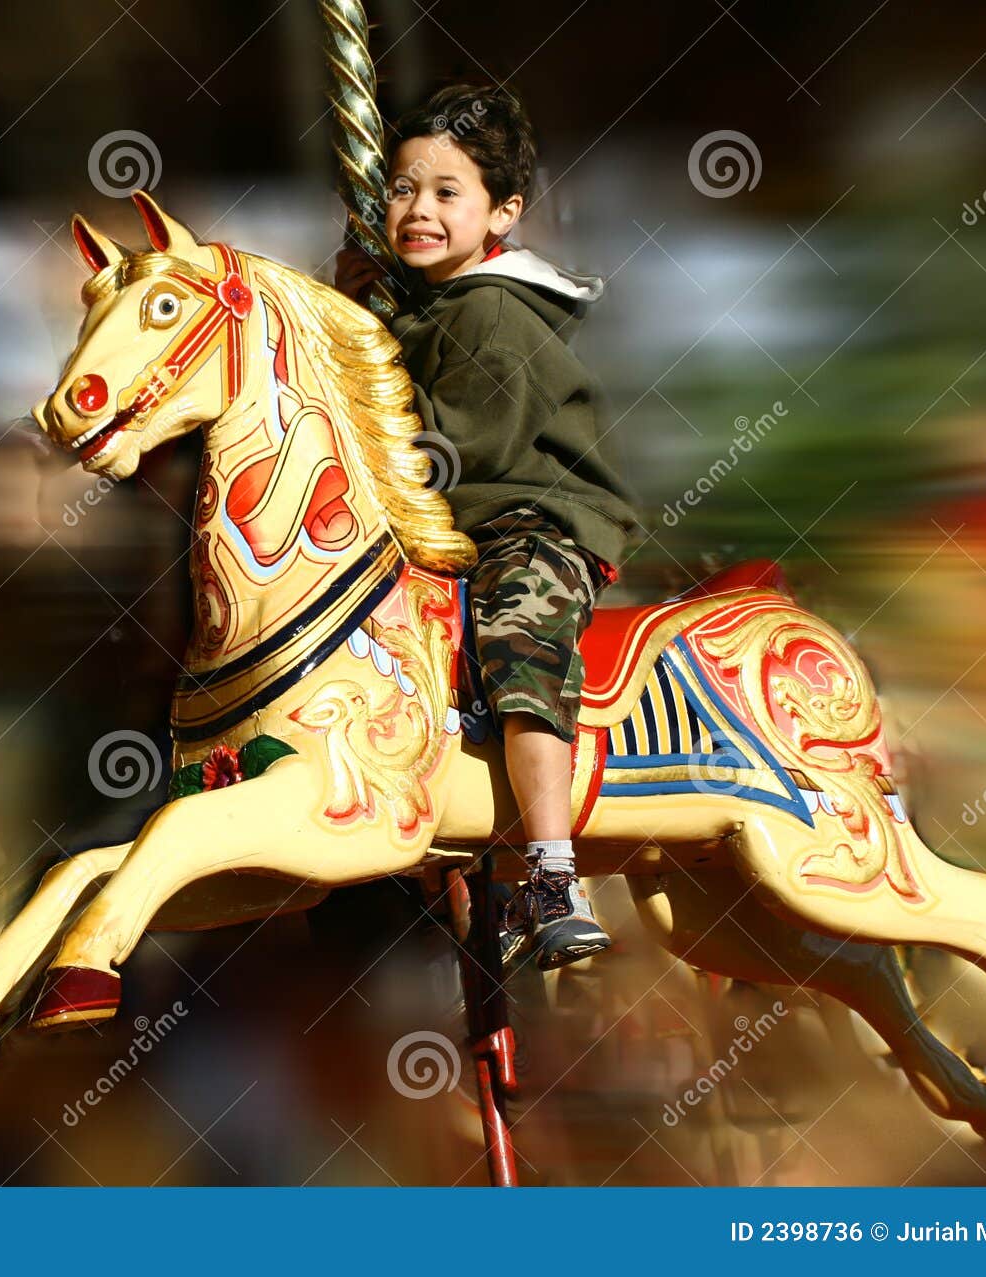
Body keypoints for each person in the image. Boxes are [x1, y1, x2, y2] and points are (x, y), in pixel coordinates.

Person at [335, 82, 638, 968]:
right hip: (457, 527)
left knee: (516, 635)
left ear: (502, 211)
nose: (418, 210)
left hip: (533, 519)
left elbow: (452, 451)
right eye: (401, 189)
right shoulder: (429, 304)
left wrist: (367, 343)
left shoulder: (494, 310)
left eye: (446, 192)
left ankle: (552, 874)